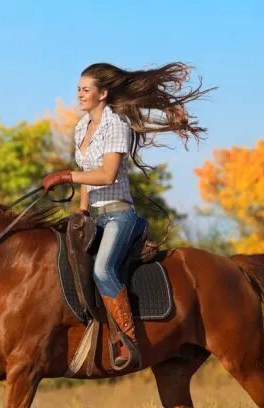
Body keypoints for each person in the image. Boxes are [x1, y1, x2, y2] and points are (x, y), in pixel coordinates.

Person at [41, 62, 211, 370]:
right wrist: (80, 212)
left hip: (120, 216)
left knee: (104, 270)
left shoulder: (116, 125)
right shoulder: (82, 127)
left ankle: (126, 340)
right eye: (78, 89)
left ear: (102, 94)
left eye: (86, 89)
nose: (80, 94)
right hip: (94, 215)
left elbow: (105, 175)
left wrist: (66, 176)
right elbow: (87, 178)